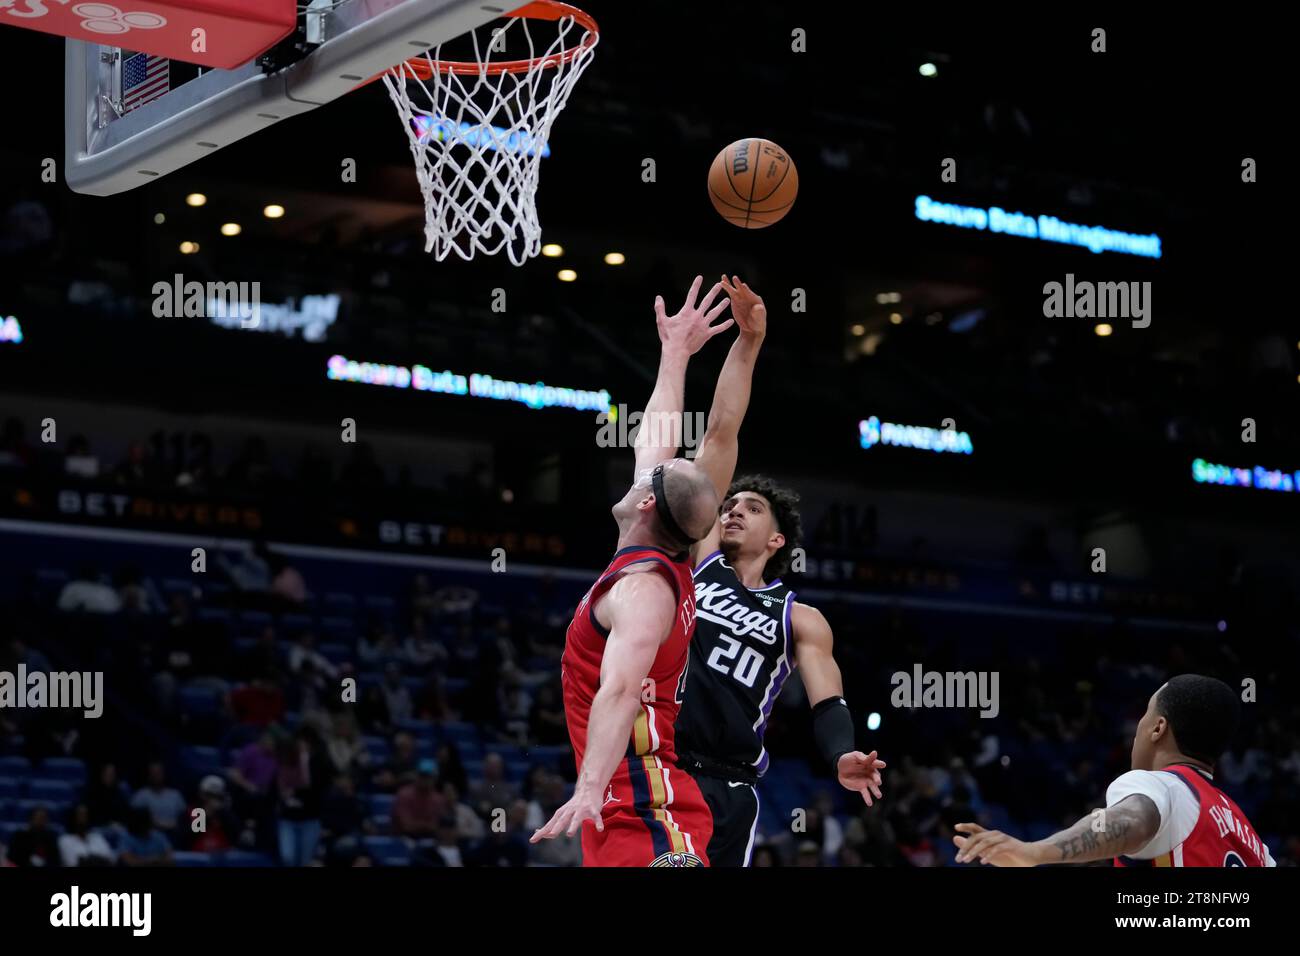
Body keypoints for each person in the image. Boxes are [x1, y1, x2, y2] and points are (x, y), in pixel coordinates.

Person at [531, 276, 737, 866]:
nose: (645, 466)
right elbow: (658, 441)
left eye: (650, 475)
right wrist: (675, 354)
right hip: (631, 801)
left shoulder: (645, 589)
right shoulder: (658, 552)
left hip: (644, 805)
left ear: (647, 503)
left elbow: (620, 689)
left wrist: (591, 787)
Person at [954, 675, 1277, 867]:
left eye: (1145, 716)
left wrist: (1035, 851)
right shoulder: (1248, 836)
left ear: (1158, 728)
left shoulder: (1161, 785)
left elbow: (1131, 820)